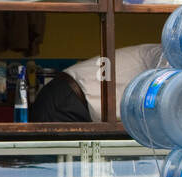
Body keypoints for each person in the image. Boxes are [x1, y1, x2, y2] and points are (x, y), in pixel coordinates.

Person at [30, 43, 164, 122]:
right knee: (51, 165)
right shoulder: (165, 54)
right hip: (68, 98)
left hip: (73, 100)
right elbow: (168, 92)